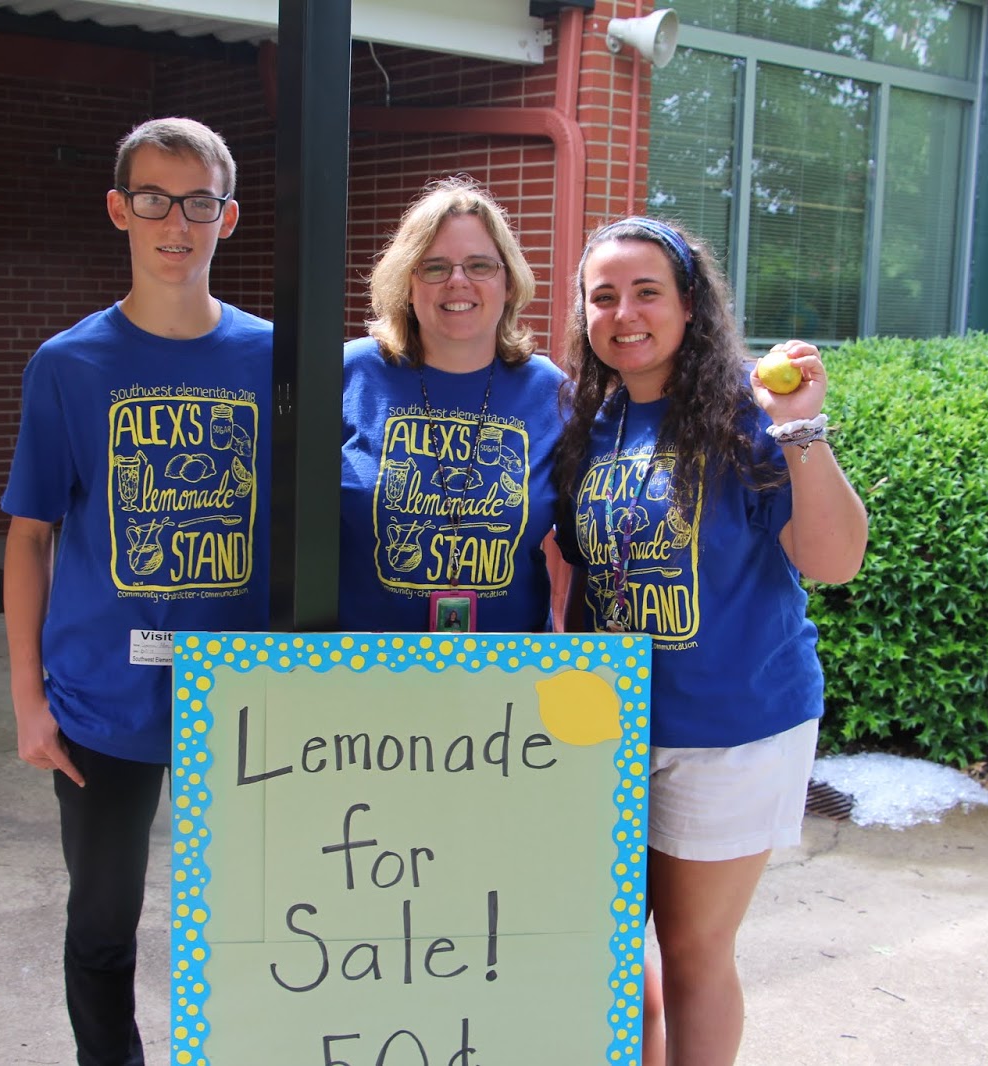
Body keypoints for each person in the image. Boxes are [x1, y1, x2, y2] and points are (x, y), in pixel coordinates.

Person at [553, 216, 868, 1065]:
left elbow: (833, 560)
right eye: (603, 296)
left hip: (732, 727)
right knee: (605, 956)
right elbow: (572, 569)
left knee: (692, 956)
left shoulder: (746, 410)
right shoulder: (590, 418)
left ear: (690, 305)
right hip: (604, 726)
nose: (625, 313)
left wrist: (803, 427)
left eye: (647, 291)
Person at [1, 117, 272, 1066]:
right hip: (100, 702)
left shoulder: (278, 362)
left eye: (199, 202)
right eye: (154, 199)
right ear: (120, 209)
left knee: (253, 917)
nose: (176, 222)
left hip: (242, 698)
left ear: (227, 217)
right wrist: (29, 701)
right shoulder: (67, 365)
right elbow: (29, 539)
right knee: (104, 922)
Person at [341, 176, 567, 633]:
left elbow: (588, 541)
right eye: (434, 267)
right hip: (362, 675)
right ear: (407, 283)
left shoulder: (552, 392)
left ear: (508, 282)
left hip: (507, 674)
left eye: (480, 266)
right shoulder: (349, 374)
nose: (457, 282)